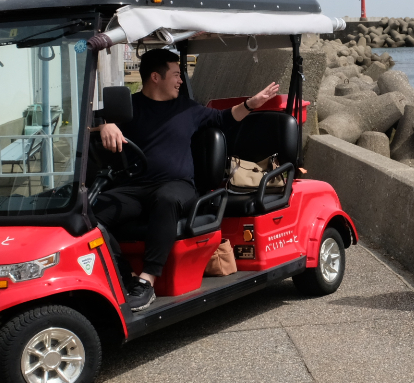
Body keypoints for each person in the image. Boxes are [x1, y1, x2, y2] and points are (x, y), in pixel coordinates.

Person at [94, 48, 280, 310]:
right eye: (176, 75)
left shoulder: (187, 109)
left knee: (166, 199)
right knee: (92, 211)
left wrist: (251, 104)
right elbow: (90, 124)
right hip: (135, 188)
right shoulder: (129, 109)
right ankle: (124, 276)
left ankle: (147, 282)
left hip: (179, 188)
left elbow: (224, 118)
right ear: (156, 78)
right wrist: (105, 124)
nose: (180, 80)